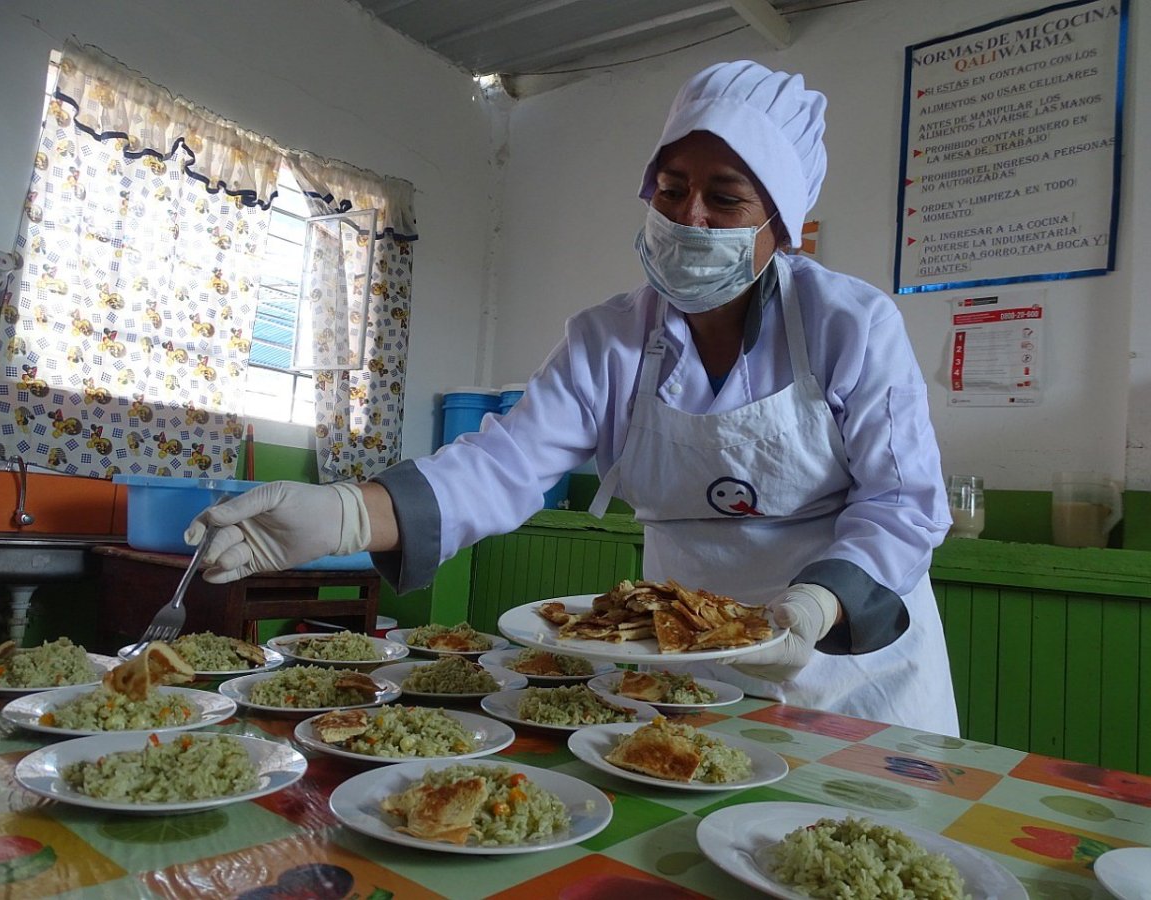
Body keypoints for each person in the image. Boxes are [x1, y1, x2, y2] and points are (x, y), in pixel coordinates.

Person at [187, 60, 959, 735]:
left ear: (783, 227)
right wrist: (346, 514)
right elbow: (505, 465)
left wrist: (812, 610)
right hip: (686, 666)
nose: (689, 217)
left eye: (725, 200)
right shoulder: (609, 339)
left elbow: (904, 502)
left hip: (849, 669)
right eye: (670, 189)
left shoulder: (850, 324)